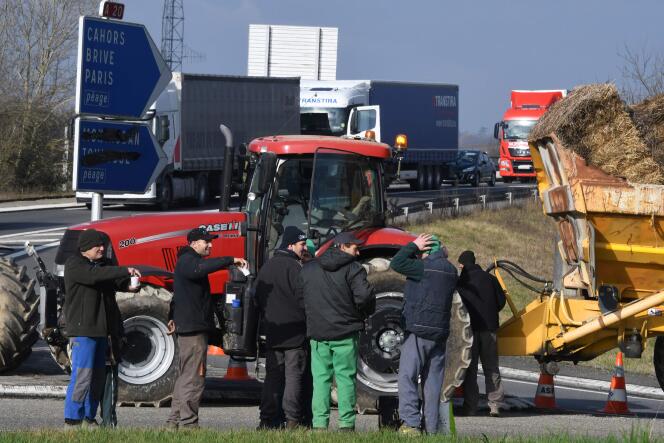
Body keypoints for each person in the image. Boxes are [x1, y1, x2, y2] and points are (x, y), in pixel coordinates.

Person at [166, 227, 248, 430]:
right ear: (194, 243)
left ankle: (173, 422)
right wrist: (231, 259)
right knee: (194, 379)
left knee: (186, 376)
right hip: (193, 331)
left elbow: (178, 295)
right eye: (206, 241)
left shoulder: (187, 261)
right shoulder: (189, 262)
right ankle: (189, 425)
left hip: (190, 327)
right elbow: (201, 268)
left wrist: (171, 317)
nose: (210, 245)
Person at [63, 229, 141, 428]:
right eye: (97, 245)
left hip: (102, 332)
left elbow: (113, 279)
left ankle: (89, 419)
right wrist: (125, 270)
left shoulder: (103, 265)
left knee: (97, 379)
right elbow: (94, 276)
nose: (102, 248)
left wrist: (129, 284)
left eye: (103, 245)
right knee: (82, 377)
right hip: (84, 331)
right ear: (85, 248)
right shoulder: (75, 265)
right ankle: (72, 421)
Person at [298, 232, 375, 432]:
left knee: (321, 380)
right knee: (345, 379)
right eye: (354, 248)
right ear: (342, 247)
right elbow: (365, 297)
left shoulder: (309, 268)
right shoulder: (354, 269)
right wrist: (361, 313)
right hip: (346, 333)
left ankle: (319, 424)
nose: (357, 252)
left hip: (318, 334)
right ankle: (346, 425)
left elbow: (301, 298)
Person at [390, 233, 458, 435]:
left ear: (425, 250)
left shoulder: (422, 268)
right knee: (433, 383)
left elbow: (397, 262)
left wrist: (413, 245)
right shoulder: (452, 271)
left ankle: (410, 424)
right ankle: (432, 428)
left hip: (419, 331)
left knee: (407, 376)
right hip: (440, 333)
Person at [255, 226, 309, 429]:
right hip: (295, 333)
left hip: (273, 332)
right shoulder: (296, 268)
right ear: (290, 245)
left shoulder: (267, 267)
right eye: (302, 244)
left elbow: (257, 297)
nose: (304, 248)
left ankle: (267, 420)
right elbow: (304, 299)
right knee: (294, 377)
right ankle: (293, 420)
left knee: (272, 378)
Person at [456, 250, 506, 417]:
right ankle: (495, 405)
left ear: (463, 264)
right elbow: (501, 301)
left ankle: (471, 407)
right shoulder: (490, 279)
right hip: (490, 329)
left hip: (469, 331)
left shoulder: (462, 281)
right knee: (491, 367)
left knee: (470, 369)